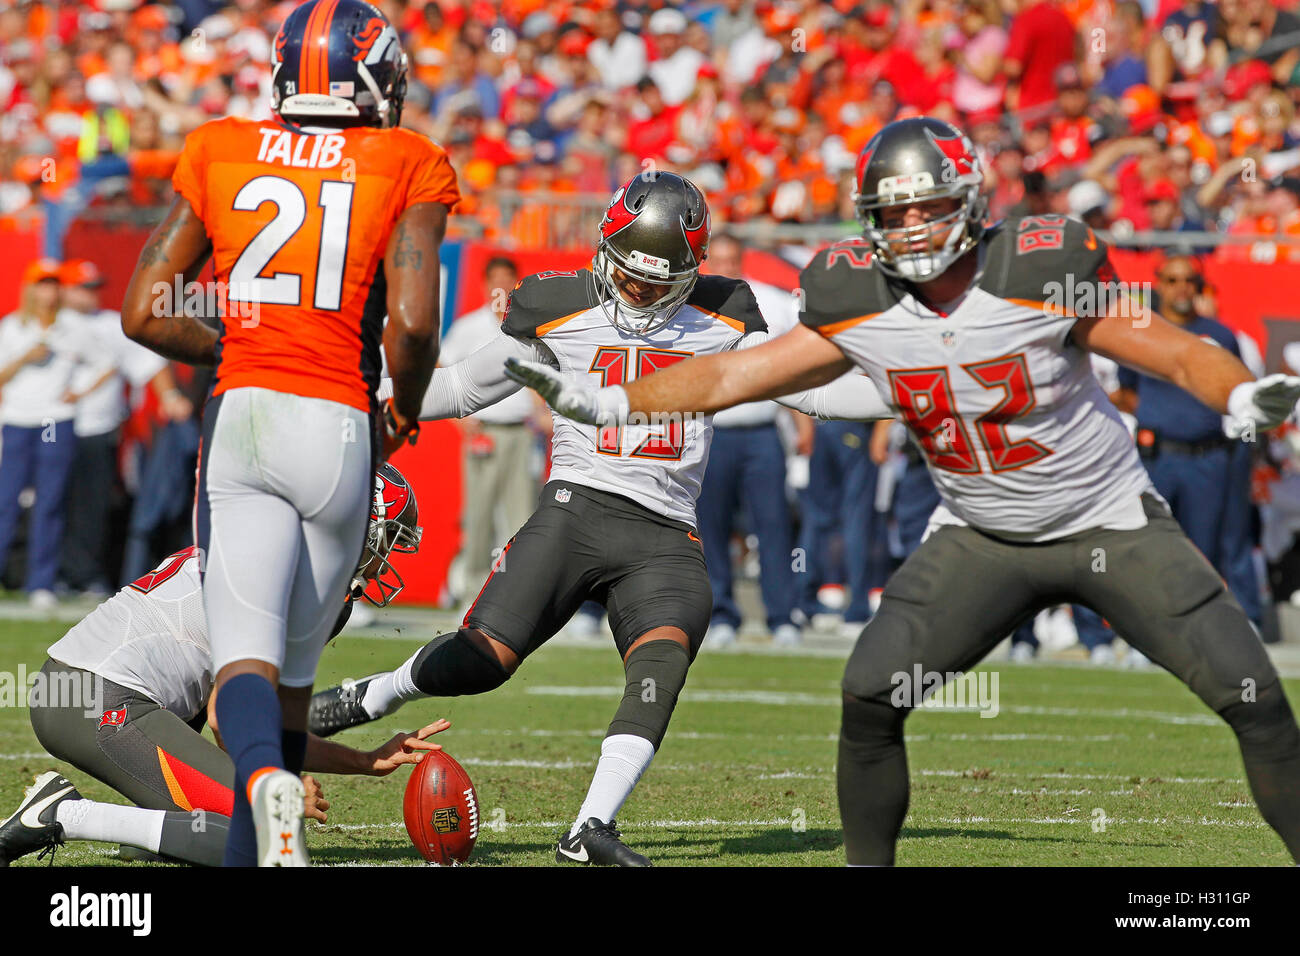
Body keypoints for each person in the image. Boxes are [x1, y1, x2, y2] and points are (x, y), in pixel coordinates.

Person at [507, 117, 1300, 866]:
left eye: (930, 208)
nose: (915, 227)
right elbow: (731, 374)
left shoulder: (1040, 265)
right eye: (897, 211)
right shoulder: (860, 296)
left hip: (1107, 524)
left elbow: (1173, 349)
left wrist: (1234, 393)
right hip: (980, 539)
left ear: (970, 203)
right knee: (869, 698)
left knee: (1254, 697)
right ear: (867, 217)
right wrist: (613, 402)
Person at [308, 170, 890, 867]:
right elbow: (463, 388)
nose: (635, 292)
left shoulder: (734, 311)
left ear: (689, 271)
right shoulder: (558, 304)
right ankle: (381, 690)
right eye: (626, 273)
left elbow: (818, 398)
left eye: (654, 282)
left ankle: (588, 829)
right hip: (574, 509)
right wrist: (353, 390)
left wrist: (920, 395)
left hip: (666, 530)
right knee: (484, 661)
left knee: (662, 662)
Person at [119, 0, 458, 866]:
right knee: (294, 684)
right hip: (338, 419)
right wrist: (404, 412)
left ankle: (263, 778)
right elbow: (414, 326)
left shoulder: (219, 145)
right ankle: (270, 785)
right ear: (380, 77)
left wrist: (234, 343)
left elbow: (146, 312)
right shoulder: (406, 158)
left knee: (243, 662)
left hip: (242, 417)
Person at [1, 465, 449, 867]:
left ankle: (155, 823)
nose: (386, 558)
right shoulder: (286, 579)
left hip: (96, 692)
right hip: (94, 699)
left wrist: (365, 761)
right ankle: (64, 813)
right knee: (264, 839)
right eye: (387, 539)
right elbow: (229, 719)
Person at [1113, 253, 1260, 622]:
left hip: (1207, 457)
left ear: (1200, 286)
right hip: (1156, 455)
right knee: (1147, 545)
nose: (1181, 288)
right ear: (1159, 283)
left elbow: (1237, 390)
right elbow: (1127, 391)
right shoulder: (1139, 329)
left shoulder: (1221, 335)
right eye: (1173, 279)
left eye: (1189, 280)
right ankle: (1145, 627)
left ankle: (1198, 629)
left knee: (1202, 552)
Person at [693, 233, 802, 648]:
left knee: (773, 524)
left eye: (731, 258)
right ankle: (721, 613)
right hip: (710, 429)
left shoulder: (773, 302)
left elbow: (792, 366)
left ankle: (782, 615)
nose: (724, 266)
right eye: (716, 259)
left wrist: (801, 421)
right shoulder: (689, 306)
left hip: (760, 429)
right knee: (711, 525)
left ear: (743, 260)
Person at [55, 259, 175, 596]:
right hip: (51, 427)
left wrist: (171, 396)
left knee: (93, 504)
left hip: (99, 428)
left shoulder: (111, 324)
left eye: (94, 286)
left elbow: (151, 363)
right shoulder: (50, 324)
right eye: (83, 287)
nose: (91, 294)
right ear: (64, 290)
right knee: (51, 502)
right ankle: (49, 572)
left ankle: (85, 573)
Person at [0, 260, 109, 610]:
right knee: (7, 500)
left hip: (52, 421)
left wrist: (79, 392)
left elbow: (106, 362)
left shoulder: (72, 328)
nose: (49, 291)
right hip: (17, 419)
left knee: (49, 499)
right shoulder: (12, 327)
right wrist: (23, 359)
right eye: (43, 284)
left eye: (54, 284)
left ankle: (41, 582)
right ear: (30, 288)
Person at [441, 256, 545, 599]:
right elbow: (443, 370)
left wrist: (541, 408)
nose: (501, 287)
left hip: (521, 431)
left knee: (521, 517)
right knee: (479, 516)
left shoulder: (529, 324)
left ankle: (516, 595)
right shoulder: (469, 327)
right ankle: (472, 592)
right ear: (485, 284)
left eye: (508, 279)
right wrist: (460, 417)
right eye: (495, 279)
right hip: (484, 431)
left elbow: (543, 374)